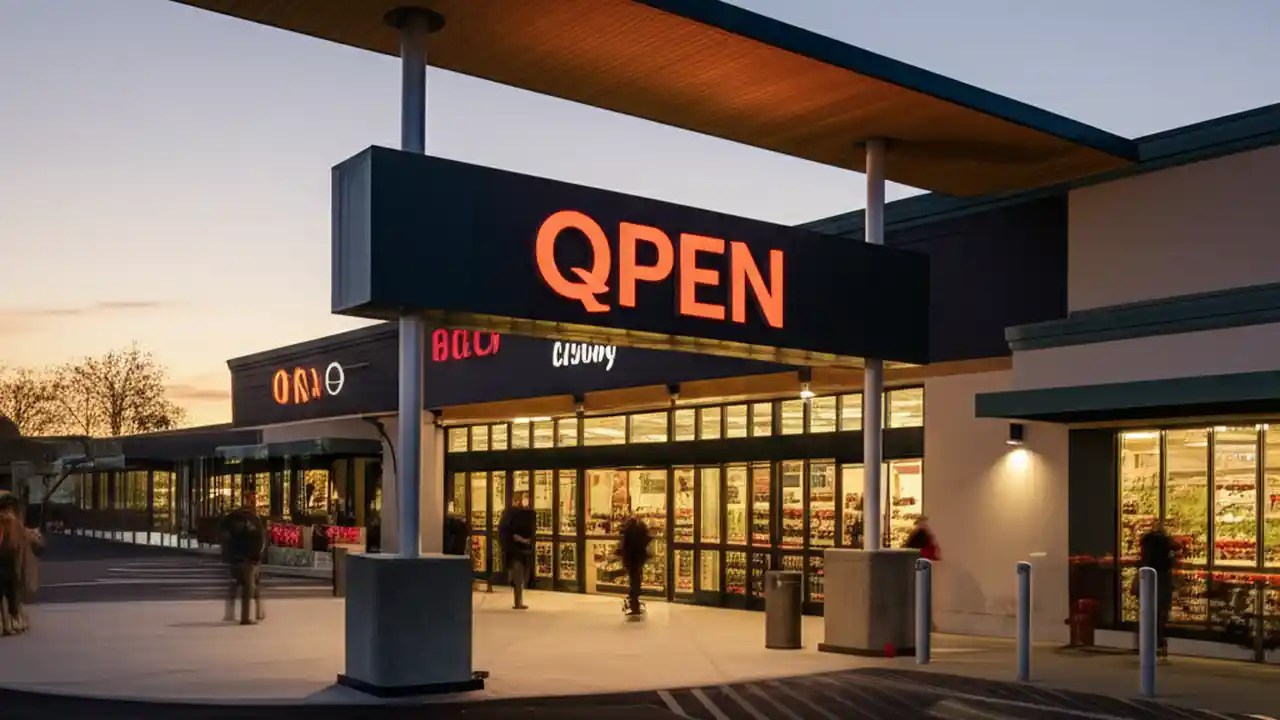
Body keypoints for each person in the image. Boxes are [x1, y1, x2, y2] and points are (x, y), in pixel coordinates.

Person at [220, 502, 267, 625]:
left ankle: (230, 613)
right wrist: (258, 556)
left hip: (234, 559)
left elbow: (224, 540)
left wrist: (227, 556)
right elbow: (260, 541)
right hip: (249, 560)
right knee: (250, 587)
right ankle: (249, 616)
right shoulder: (254, 522)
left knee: (237, 584)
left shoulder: (229, 522)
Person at [1138, 521, 1176, 656]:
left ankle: (1145, 642)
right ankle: (1159, 642)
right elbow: (1177, 548)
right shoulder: (1165, 543)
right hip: (1162, 581)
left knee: (1147, 612)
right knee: (1161, 613)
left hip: (1147, 580)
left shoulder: (1146, 542)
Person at [497, 497, 535, 610]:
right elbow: (514, 536)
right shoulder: (517, 518)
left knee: (519, 578)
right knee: (519, 578)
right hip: (517, 552)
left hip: (514, 552)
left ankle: (518, 601)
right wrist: (525, 541)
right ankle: (518, 602)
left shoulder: (508, 519)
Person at [0, 498, 28, 635]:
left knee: (4, 592)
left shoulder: (7, 521)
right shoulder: (13, 521)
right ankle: (14, 621)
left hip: (5, 558)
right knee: (12, 591)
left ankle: (6, 623)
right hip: (10, 559)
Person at [618, 516, 652, 616]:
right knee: (636, 580)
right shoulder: (641, 530)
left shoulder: (629, 532)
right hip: (638, 558)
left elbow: (624, 544)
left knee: (634, 580)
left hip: (630, 558)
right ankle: (634, 603)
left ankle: (633, 603)